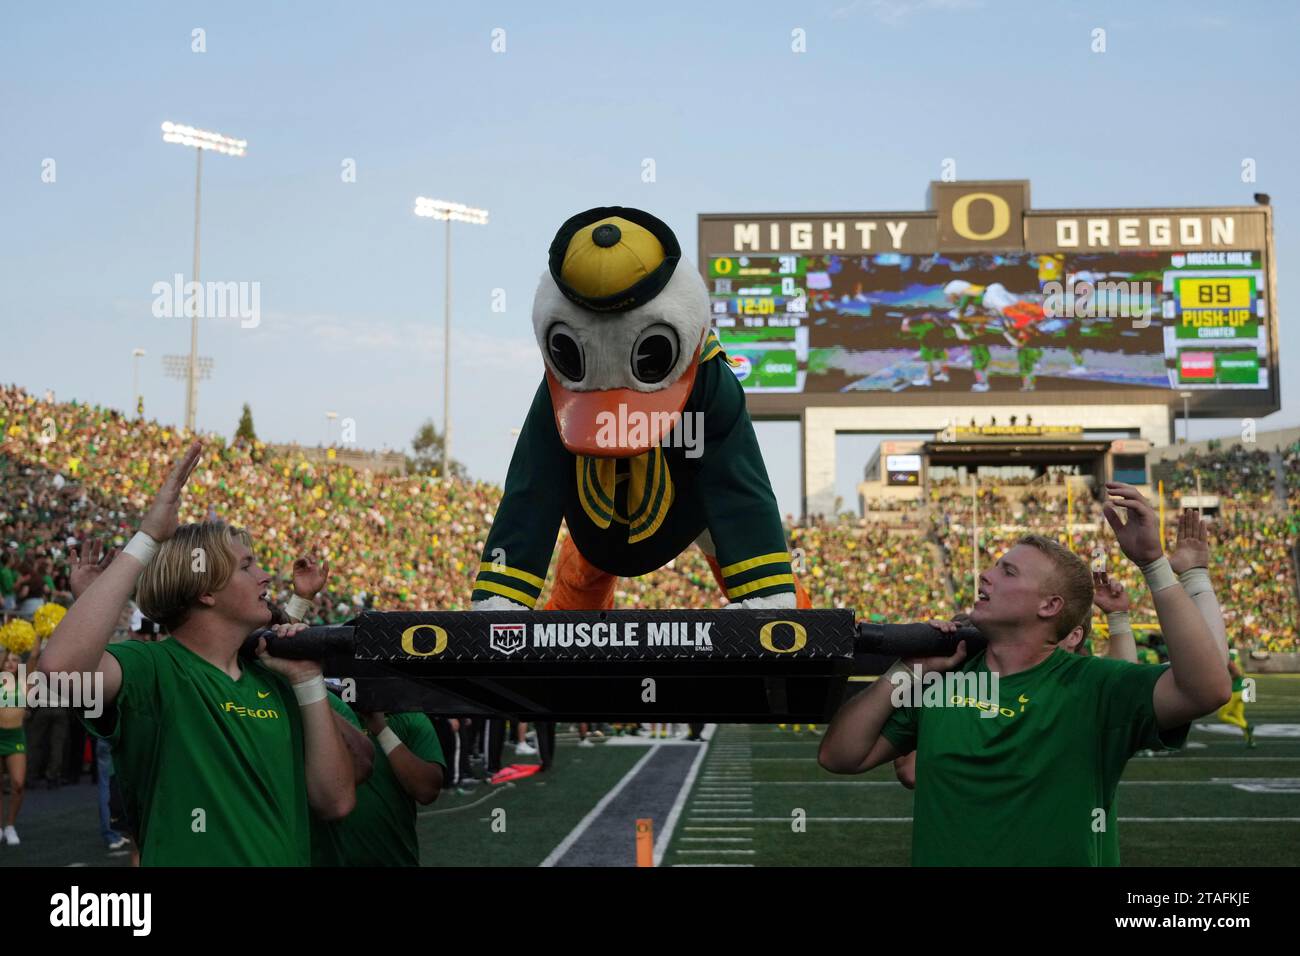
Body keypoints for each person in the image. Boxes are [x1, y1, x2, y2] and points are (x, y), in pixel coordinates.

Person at [819, 482, 1231, 866]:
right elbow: (839, 757)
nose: (985, 575)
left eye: (1008, 572)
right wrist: (907, 670)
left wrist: (1154, 565)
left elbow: (1208, 689)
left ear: (1050, 606)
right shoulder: (940, 683)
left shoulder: (1094, 685)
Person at [38, 442, 360, 866]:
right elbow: (59, 674)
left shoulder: (274, 676)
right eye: (246, 566)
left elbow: (336, 800)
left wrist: (305, 679)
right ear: (205, 590)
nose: (265, 575)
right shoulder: (152, 668)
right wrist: (149, 537)